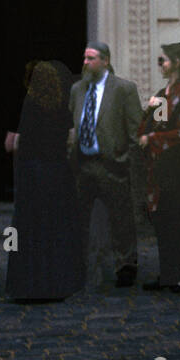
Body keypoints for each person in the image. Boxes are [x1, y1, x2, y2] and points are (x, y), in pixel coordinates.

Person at [5, 60, 85, 302]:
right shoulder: (63, 107)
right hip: (57, 174)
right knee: (55, 229)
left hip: (33, 175)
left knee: (27, 230)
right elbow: (72, 138)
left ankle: (28, 284)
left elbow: (17, 143)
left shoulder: (30, 105)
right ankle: (56, 284)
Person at [69, 41, 142, 287]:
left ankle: (126, 264)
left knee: (121, 217)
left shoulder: (123, 89)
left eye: (91, 58)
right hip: (83, 164)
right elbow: (73, 123)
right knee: (79, 217)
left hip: (113, 164)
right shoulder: (77, 89)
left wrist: (129, 163)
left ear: (105, 61)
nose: (86, 63)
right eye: (85, 58)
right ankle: (78, 263)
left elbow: (135, 131)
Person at [138, 42, 180, 293]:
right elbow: (158, 125)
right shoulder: (164, 94)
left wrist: (152, 139)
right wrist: (150, 115)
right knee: (163, 219)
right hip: (162, 166)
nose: (160, 66)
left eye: (163, 60)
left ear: (177, 62)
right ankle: (168, 274)